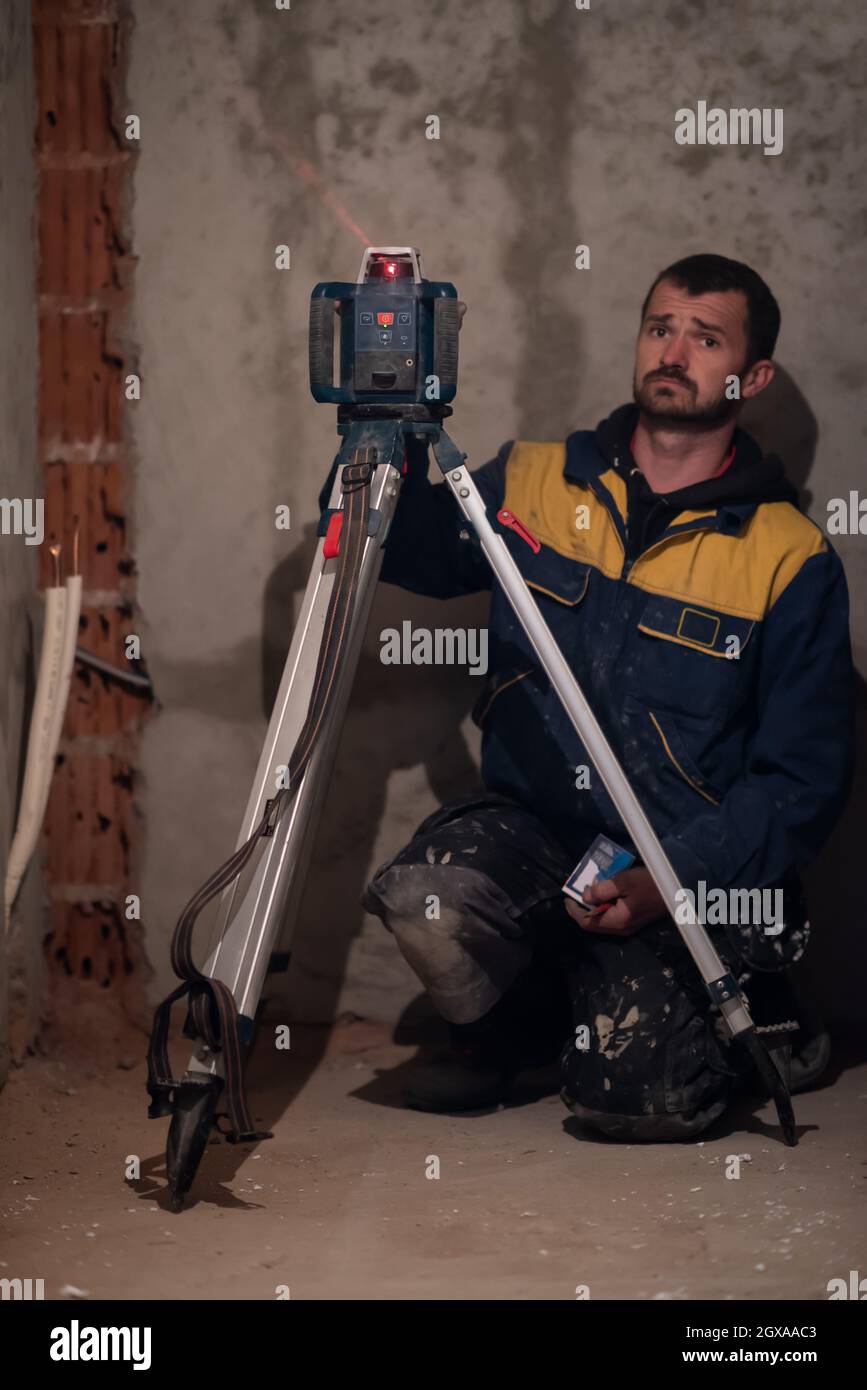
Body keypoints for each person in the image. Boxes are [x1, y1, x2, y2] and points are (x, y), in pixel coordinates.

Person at [356, 253, 855, 1139]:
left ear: (753, 374)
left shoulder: (788, 558)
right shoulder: (531, 481)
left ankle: (763, 1008)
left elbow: (799, 783)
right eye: (660, 328)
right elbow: (397, 547)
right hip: (541, 835)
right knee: (422, 898)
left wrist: (665, 883)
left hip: (685, 869)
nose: (674, 352)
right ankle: (517, 1031)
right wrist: (375, 429)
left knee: (634, 1101)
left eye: (706, 338)